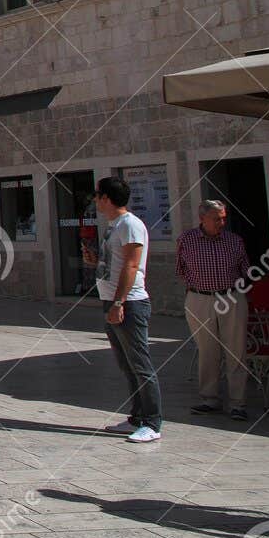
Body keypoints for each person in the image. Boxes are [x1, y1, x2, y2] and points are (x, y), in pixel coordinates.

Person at [93, 176, 161, 443]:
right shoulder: (114, 226)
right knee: (127, 364)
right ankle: (136, 417)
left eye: (98, 195)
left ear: (106, 198)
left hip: (129, 303)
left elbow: (132, 266)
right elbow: (115, 262)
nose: (96, 200)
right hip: (112, 300)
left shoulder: (130, 225)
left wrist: (119, 303)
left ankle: (153, 423)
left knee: (141, 365)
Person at [176, 199, 251, 421]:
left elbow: (246, 269)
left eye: (223, 218)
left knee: (236, 350)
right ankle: (209, 398)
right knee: (207, 350)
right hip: (200, 298)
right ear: (202, 218)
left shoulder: (234, 241)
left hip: (231, 297)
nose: (221, 222)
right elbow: (181, 269)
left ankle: (238, 402)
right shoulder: (186, 240)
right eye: (216, 218)